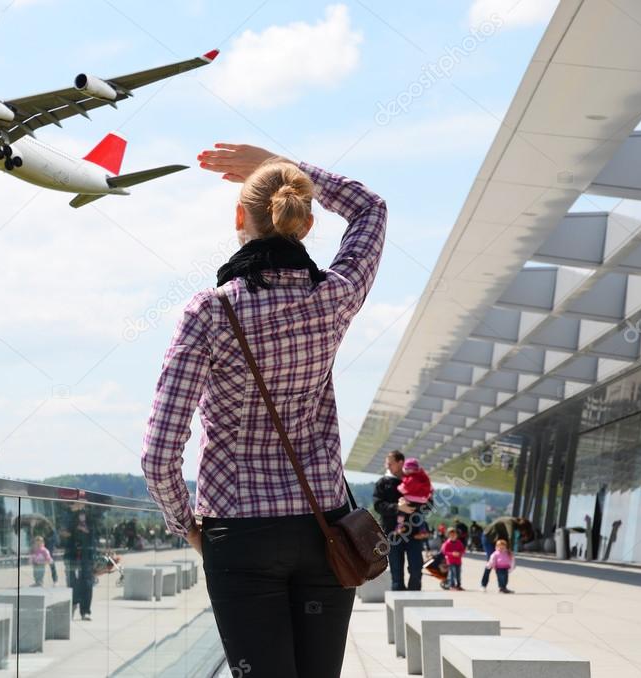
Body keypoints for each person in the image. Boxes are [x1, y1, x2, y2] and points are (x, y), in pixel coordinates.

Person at [142, 143, 387, 677]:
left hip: (240, 532)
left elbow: (160, 452)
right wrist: (285, 163)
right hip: (325, 528)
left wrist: (186, 525)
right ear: (304, 220)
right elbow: (370, 208)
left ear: (239, 216)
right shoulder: (335, 296)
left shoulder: (209, 312)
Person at [374, 451, 425, 591]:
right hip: (392, 534)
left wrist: (413, 507)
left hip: (414, 534)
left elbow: (429, 501)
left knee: (416, 569)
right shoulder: (382, 483)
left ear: (400, 462)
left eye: (390, 463)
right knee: (396, 575)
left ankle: (415, 605)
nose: (387, 466)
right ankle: (399, 610)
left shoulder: (415, 480)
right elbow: (378, 506)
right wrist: (398, 507)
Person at [396, 458, 433, 539]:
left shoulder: (410, 478)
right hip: (422, 500)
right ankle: (422, 530)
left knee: (402, 510)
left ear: (408, 469)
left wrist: (399, 488)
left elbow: (404, 488)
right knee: (419, 515)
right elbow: (430, 488)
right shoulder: (423, 477)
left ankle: (400, 526)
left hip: (410, 499)